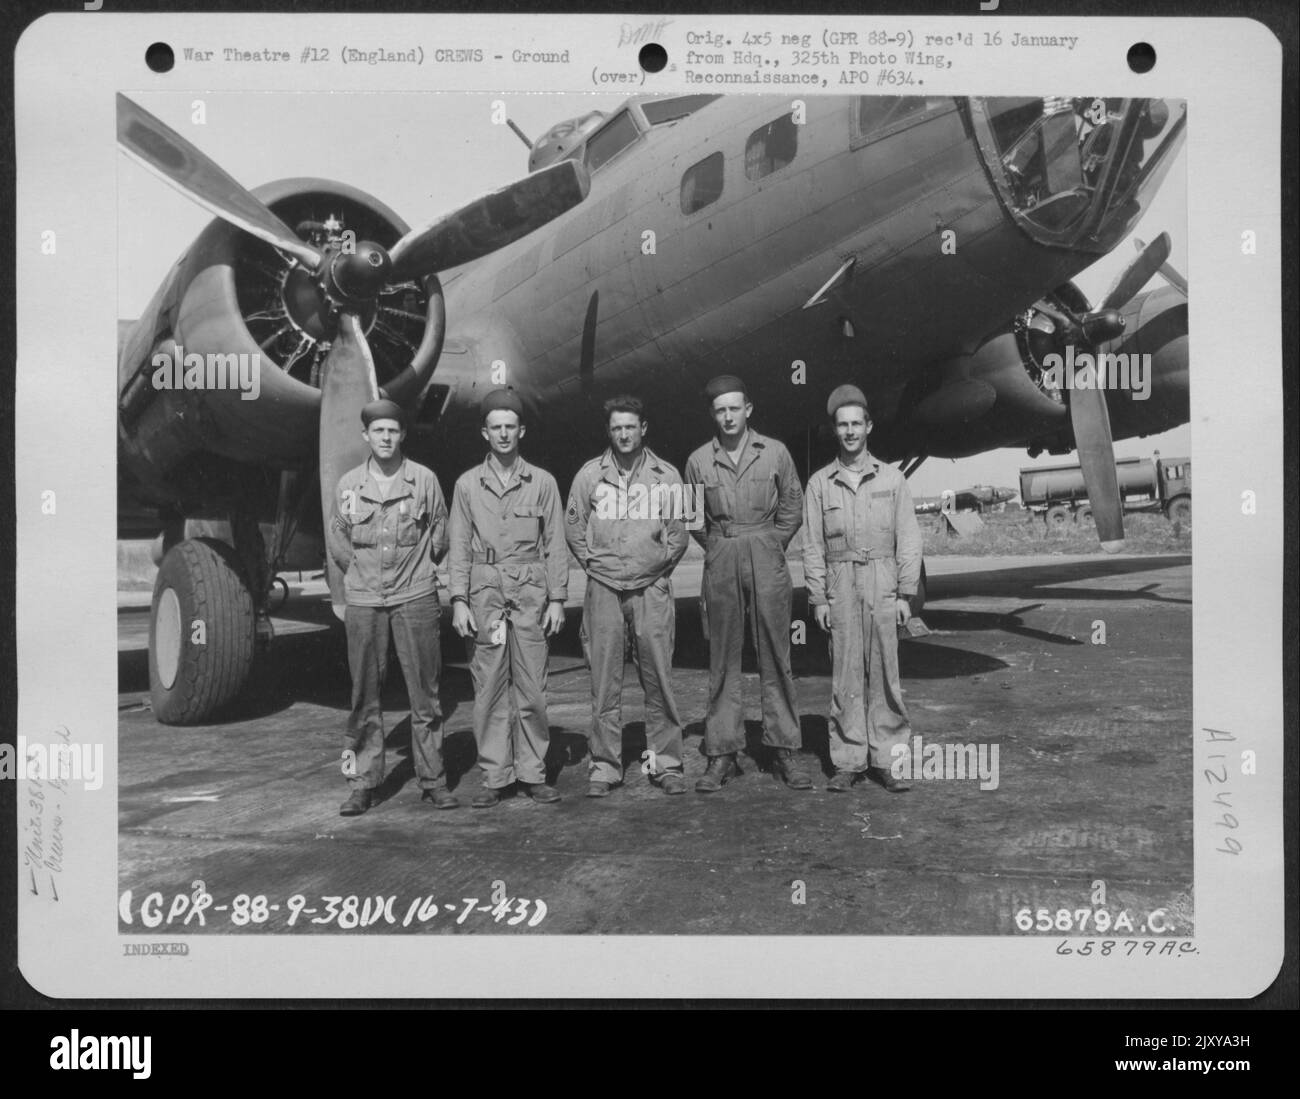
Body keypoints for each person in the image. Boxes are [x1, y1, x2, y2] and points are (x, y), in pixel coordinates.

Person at [683, 375, 810, 793]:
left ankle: (785, 749)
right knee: (722, 657)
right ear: (713, 415)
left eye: (734, 408)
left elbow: (793, 504)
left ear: (748, 409)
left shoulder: (775, 452)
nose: (728, 416)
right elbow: (692, 518)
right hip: (722, 554)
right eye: (720, 410)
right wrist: (721, 547)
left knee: (776, 652)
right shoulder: (699, 460)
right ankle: (721, 753)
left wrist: (771, 542)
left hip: (765, 552)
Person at [328, 398, 452, 817]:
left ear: (403, 435)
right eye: (378, 431)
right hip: (364, 600)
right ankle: (363, 783)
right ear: (366, 436)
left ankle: (433, 780)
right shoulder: (348, 486)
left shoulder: (424, 481)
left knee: (426, 695)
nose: (385, 438)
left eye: (392, 431)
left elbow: (439, 534)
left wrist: (416, 574)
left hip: (415, 597)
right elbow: (340, 542)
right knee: (365, 695)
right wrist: (363, 576)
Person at [447, 387, 568, 808]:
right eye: (495, 427)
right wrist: (458, 599)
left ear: (522, 431)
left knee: (533, 686)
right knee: (490, 687)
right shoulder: (466, 486)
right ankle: (497, 776)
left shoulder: (544, 483)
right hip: (485, 592)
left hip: (531, 591)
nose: (503, 434)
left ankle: (534, 773)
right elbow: (459, 544)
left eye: (510, 427)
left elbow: (555, 543)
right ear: (485, 432)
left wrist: (557, 598)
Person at [565, 395, 690, 798]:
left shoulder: (666, 476)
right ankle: (605, 766)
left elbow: (679, 533)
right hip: (603, 588)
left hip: (650, 589)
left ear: (643, 429)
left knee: (659, 680)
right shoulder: (588, 476)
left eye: (630, 427)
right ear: (609, 431)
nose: (623, 434)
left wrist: (656, 570)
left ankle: (667, 763)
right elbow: (574, 529)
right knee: (604, 682)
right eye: (616, 428)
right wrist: (596, 567)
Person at [802, 385, 922, 793]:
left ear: (868, 426)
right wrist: (817, 597)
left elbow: (908, 539)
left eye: (857, 423)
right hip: (840, 582)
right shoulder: (820, 484)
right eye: (843, 425)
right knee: (845, 674)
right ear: (835, 431)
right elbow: (813, 546)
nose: (850, 431)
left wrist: (906, 594)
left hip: (883, 580)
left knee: (887, 672)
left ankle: (888, 759)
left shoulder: (892, 478)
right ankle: (849, 759)